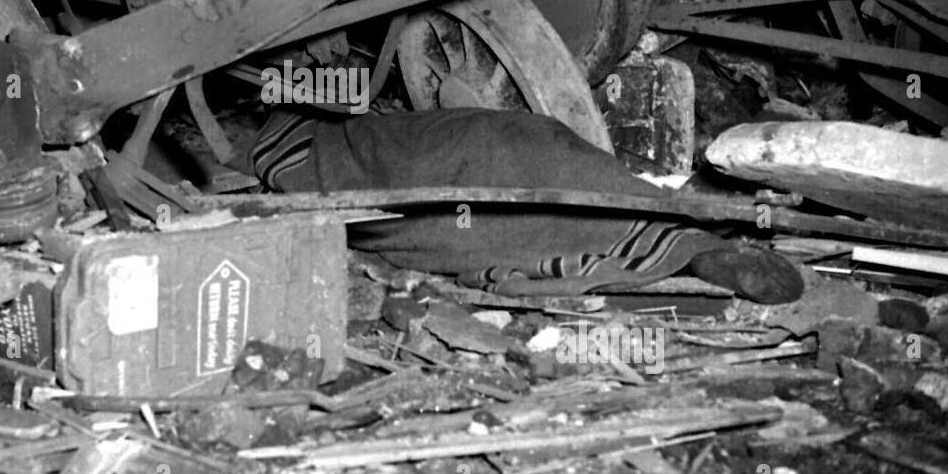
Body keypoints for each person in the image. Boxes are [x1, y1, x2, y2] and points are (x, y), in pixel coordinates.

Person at [234, 107, 804, 305]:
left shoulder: (305, 141)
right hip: (436, 155)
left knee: (507, 165)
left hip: (409, 151)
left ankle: (684, 245)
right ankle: (685, 245)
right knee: (526, 169)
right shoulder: (315, 146)